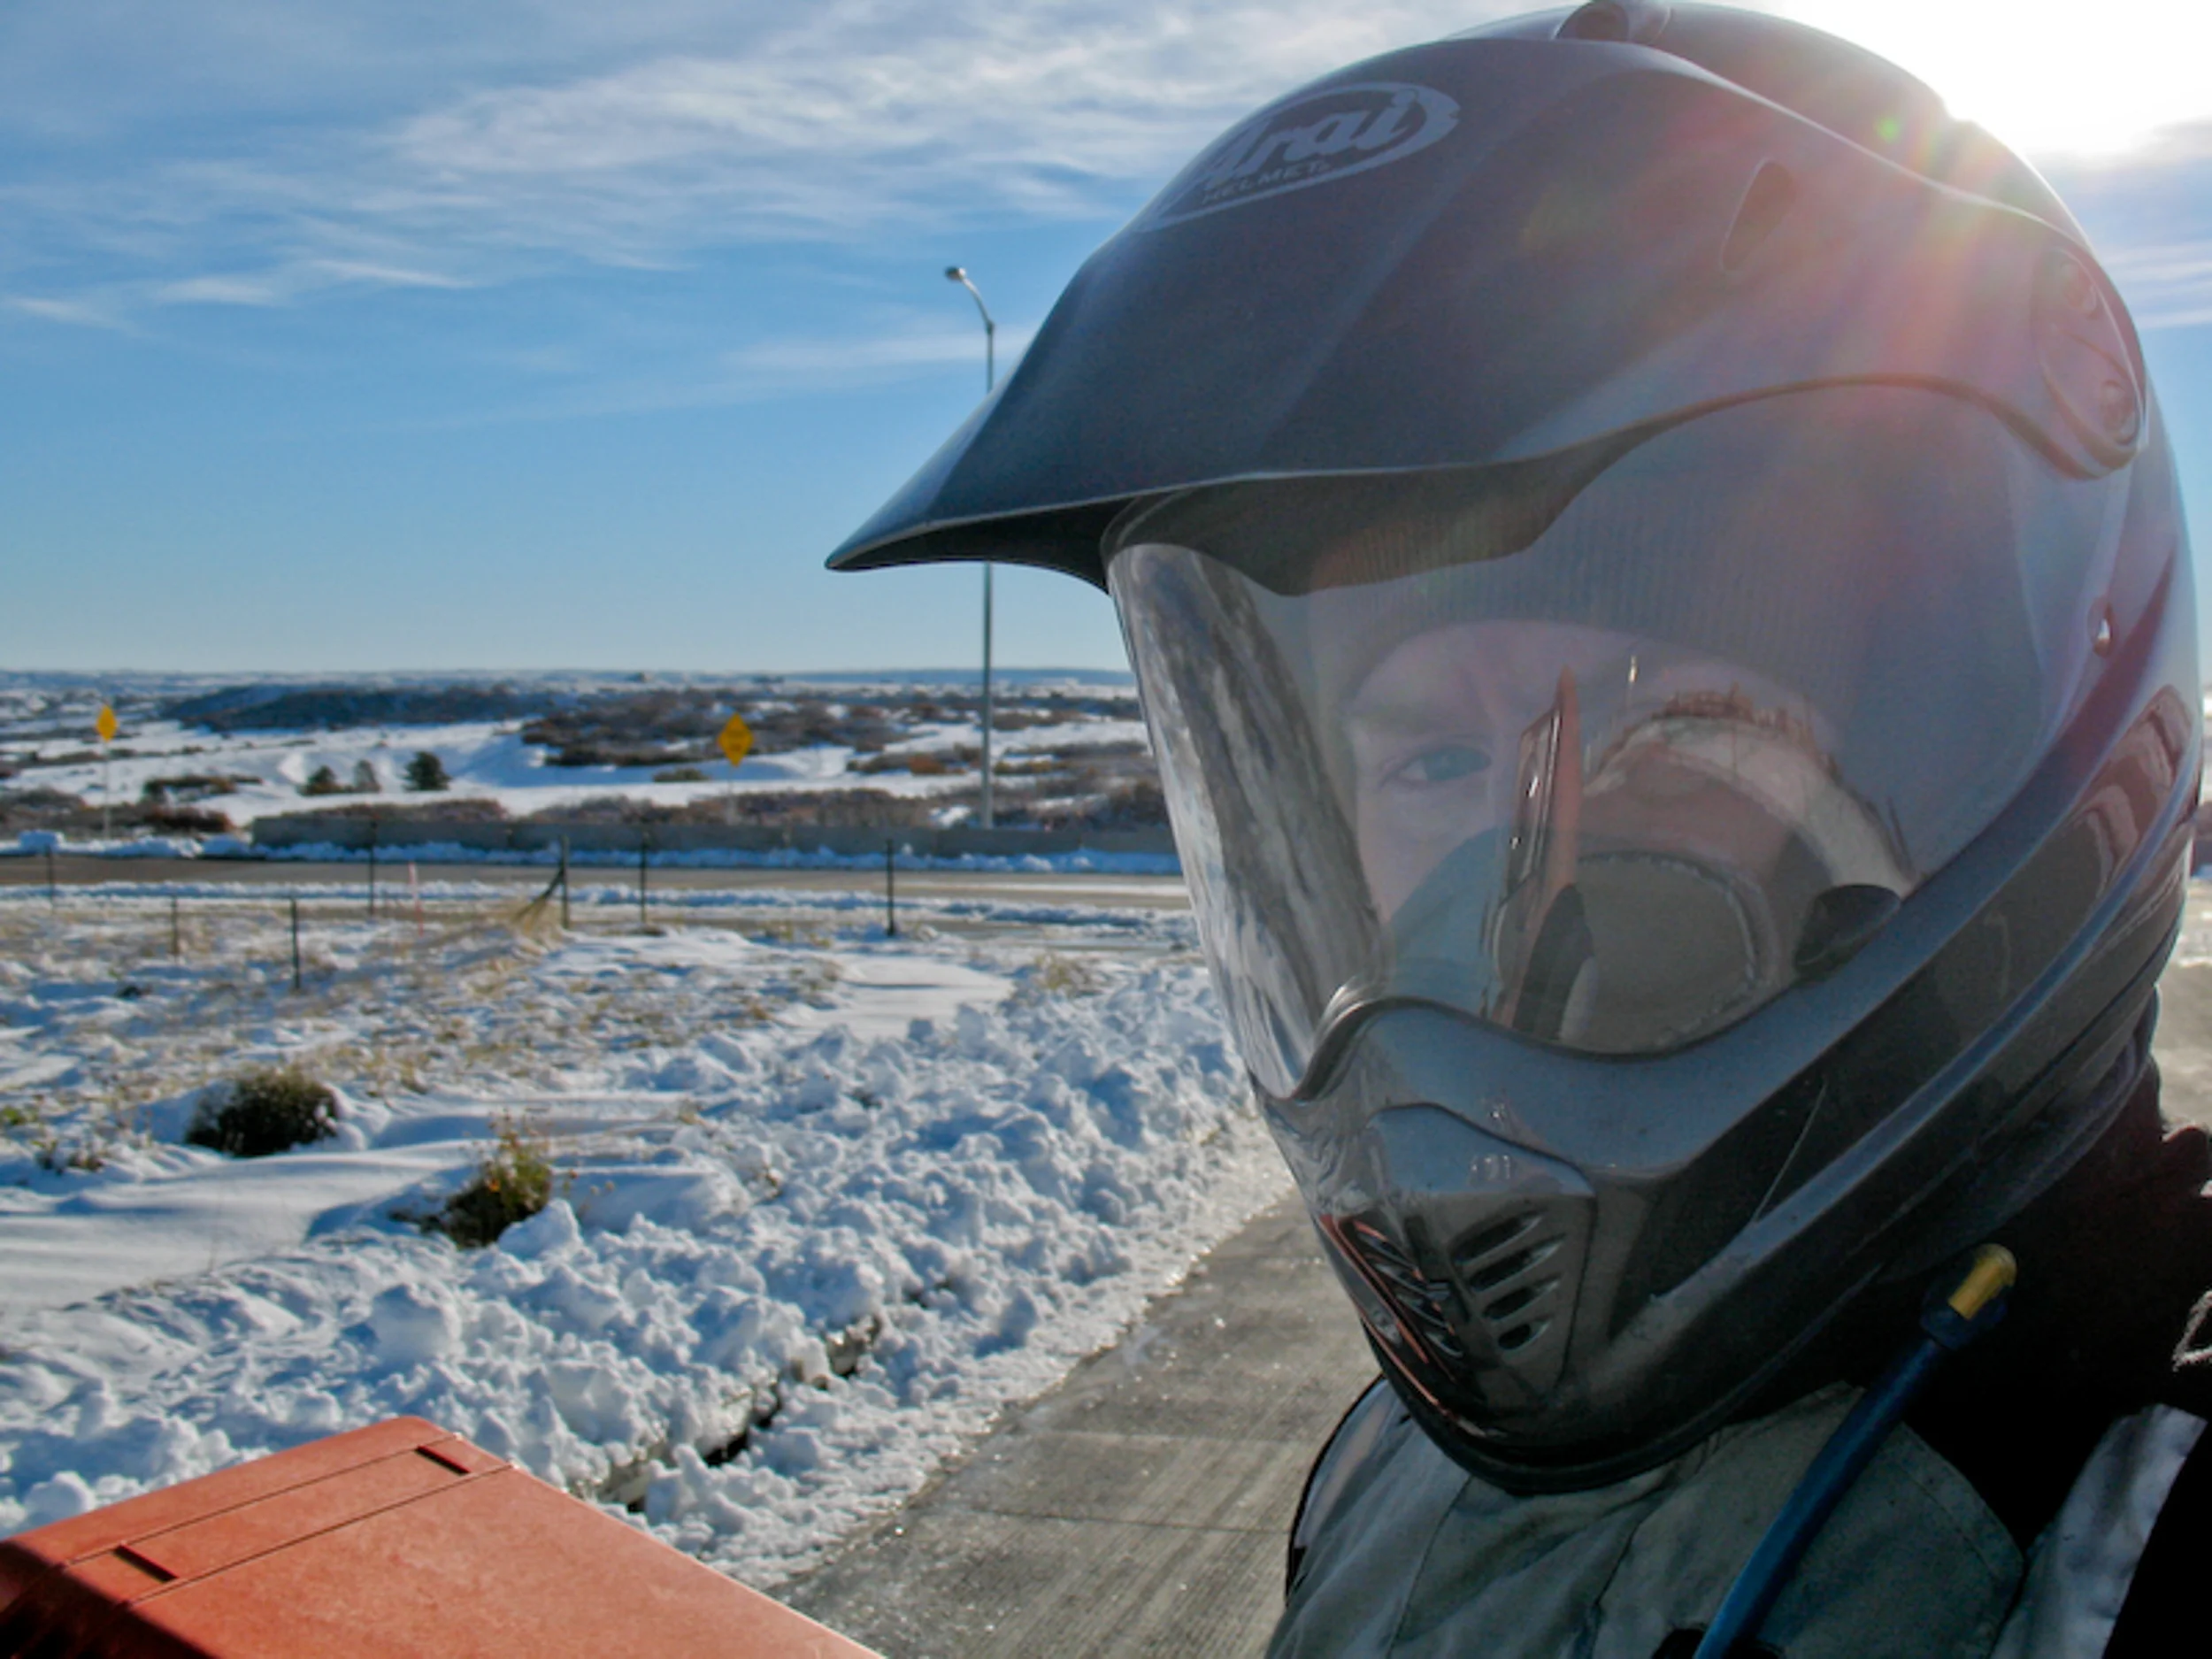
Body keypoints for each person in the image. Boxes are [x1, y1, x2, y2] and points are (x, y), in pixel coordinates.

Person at [832, 4, 2211, 1651]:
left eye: (1672, 740)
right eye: (1421, 769)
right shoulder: (1392, 1475)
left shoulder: (2139, 1521)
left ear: (1982, 766)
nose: (1521, 891)